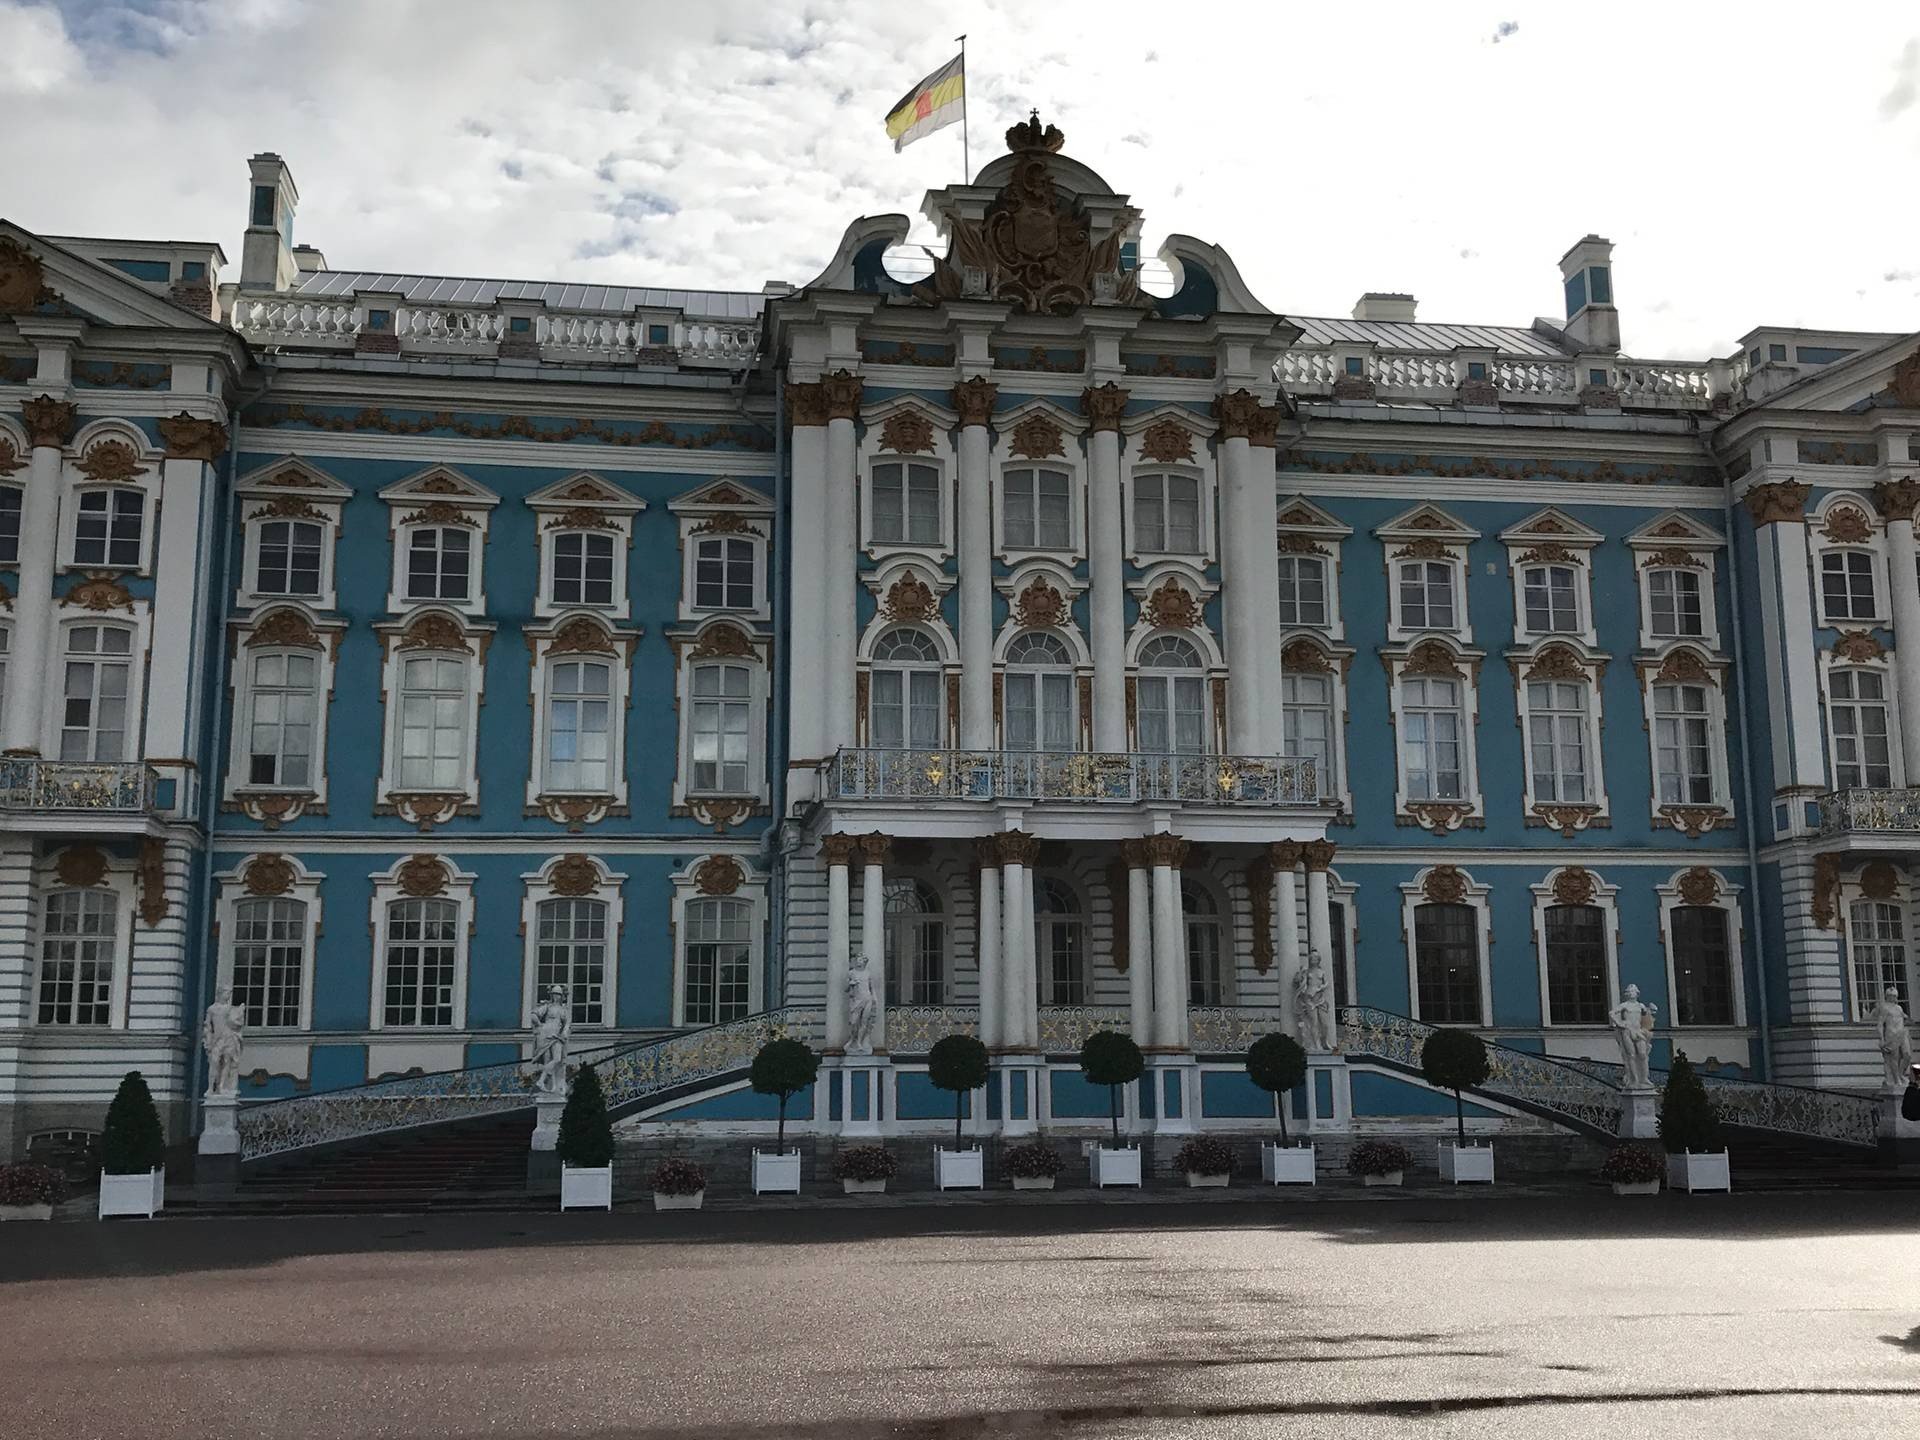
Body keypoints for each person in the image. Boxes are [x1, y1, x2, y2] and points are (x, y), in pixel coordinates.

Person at [1609, 984, 1657, 1090]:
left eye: (1633, 991)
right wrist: (1620, 1023)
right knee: (1631, 1055)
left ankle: (1644, 1079)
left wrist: (1651, 1010)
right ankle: (1634, 1079)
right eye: (1629, 991)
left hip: (1638, 1031)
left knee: (1643, 1054)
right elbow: (1612, 1013)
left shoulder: (1640, 1006)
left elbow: (1647, 1016)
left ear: (1637, 993)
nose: (1631, 993)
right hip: (1627, 1031)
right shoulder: (1624, 1005)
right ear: (1627, 994)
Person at [201, 988, 245, 1097]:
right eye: (227, 993)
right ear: (220, 994)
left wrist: (240, 1012)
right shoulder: (211, 1009)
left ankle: (222, 1086)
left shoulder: (230, 1008)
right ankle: (211, 1087)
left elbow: (236, 1023)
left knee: (227, 1062)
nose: (228, 996)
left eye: (229, 993)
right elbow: (207, 1025)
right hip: (217, 1039)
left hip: (229, 1037)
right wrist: (208, 1040)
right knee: (214, 1063)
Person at [531, 984, 572, 1094]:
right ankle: (553, 1087)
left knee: (557, 1059)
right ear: (551, 995)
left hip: (557, 1036)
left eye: (558, 995)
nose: (556, 997)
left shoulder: (564, 1010)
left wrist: (564, 1033)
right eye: (554, 994)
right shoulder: (547, 1006)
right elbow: (533, 1015)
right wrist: (540, 1026)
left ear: (562, 996)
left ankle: (541, 1080)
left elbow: (567, 1024)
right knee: (548, 1060)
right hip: (546, 1034)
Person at [1292, 949, 1336, 1052]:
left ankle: (1325, 1041)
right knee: (1314, 1022)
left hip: (1320, 999)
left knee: (1325, 1024)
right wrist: (1301, 973)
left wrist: (1320, 988)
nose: (1313, 959)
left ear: (1319, 960)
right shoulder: (1307, 971)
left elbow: (1326, 983)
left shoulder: (1322, 972)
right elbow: (1297, 981)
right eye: (1311, 957)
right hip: (1309, 999)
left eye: (1315, 957)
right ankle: (1317, 1045)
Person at [1872, 987, 1914, 1092]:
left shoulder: (1899, 1008)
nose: (1894, 998)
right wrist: (1881, 1039)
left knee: (1907, 1055)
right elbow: (1880, 1024)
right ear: (1888, 996)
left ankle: (1900, 1074)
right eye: (1892, 996)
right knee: (1894, 1058)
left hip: (1902, 1033)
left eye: (1895, 996)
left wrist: (1908, 1019)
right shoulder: (1884, 1008)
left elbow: (1904, 1018)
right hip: (1891, 1036)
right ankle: (1896, 1079)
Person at [846, 953, 879, 1054]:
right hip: (856, 1000)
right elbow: (846, 989)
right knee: (854, 1022)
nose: (858, 961)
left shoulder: (868, 973)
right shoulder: (851, 973)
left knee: (864, 1022)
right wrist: (851, 984)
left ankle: (859, 1043)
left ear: (864, 962)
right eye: (857, 959)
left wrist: (875, 999)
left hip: (867, 999)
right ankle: (852, 1040)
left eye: (860, 960)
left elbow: (872, 988)